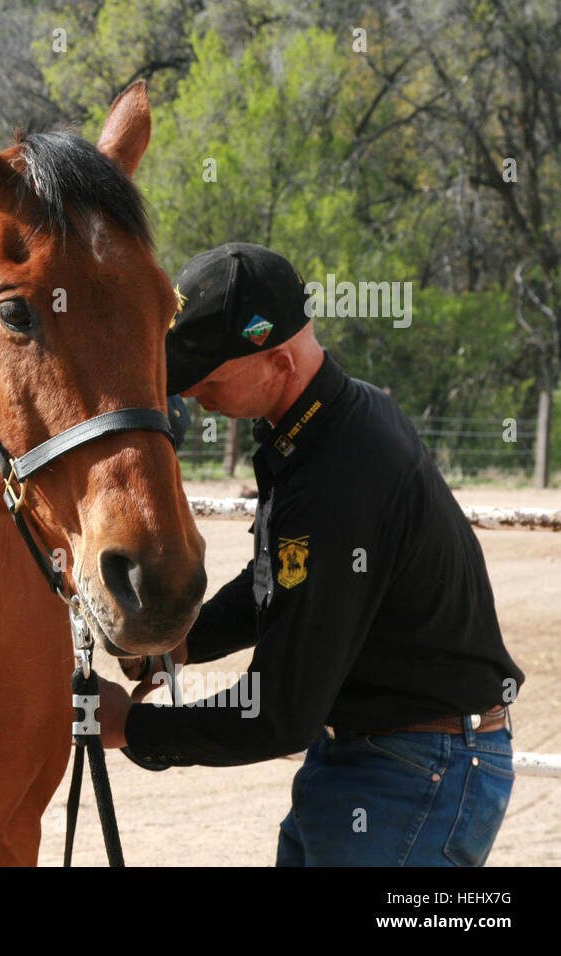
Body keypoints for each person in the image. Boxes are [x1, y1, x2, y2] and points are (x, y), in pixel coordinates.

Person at [100, 242, 524, 867]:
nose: (189, 390)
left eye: (207, 374)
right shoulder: (323, 427)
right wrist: (185, 641)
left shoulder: (341, 473)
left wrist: (132, 729)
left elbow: (279, 714)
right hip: (385, 759)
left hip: (415, 772)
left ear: (278, 360)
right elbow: (282, 576)